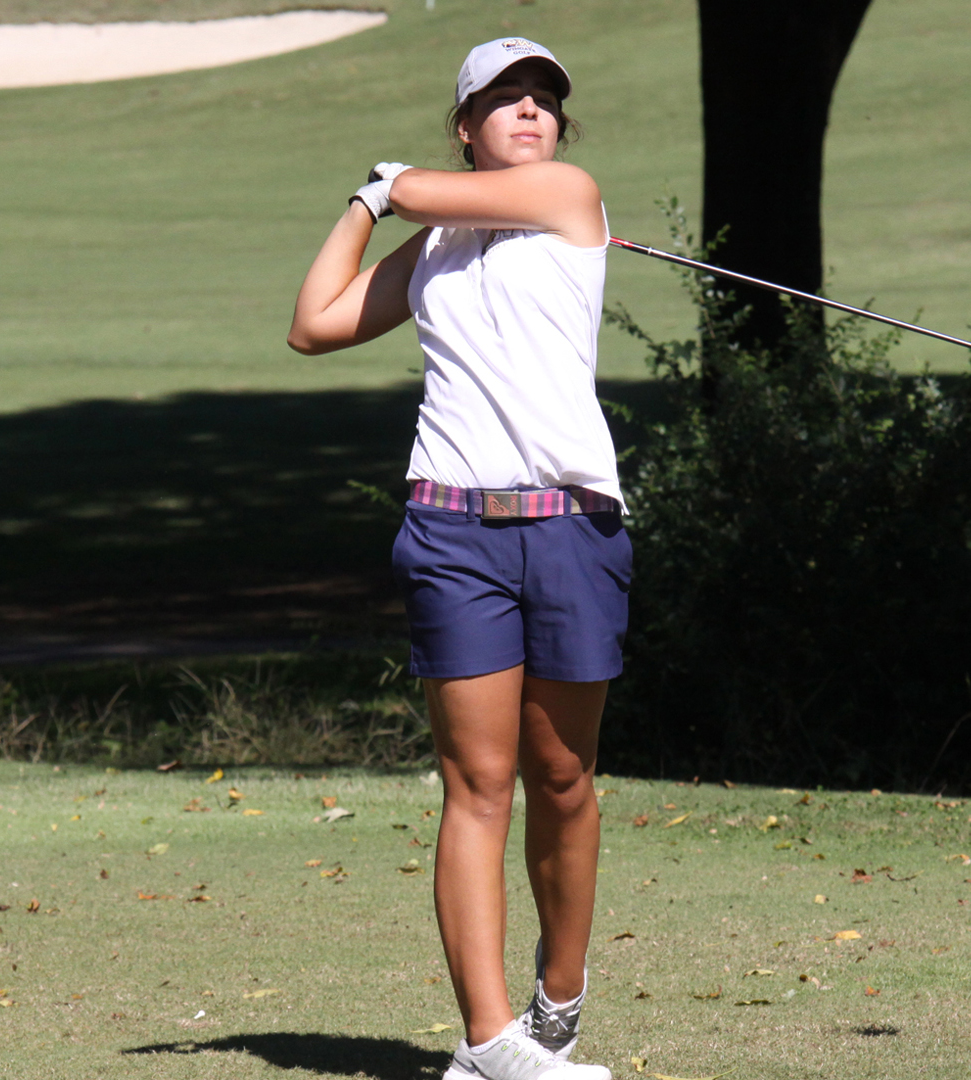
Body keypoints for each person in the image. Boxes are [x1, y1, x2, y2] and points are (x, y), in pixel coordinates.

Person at [287, 36, 626, 1080]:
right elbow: (315, 324)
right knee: (477, 783)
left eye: (545, 101)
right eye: (504, 101)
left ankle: (555, 1001)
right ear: (468, 125)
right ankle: (488, 1044)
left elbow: (422, 189)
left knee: (562, 778)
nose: (531, 113)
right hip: (451, 530)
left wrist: (397, 184)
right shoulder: (434, 248)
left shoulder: (571, 196)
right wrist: (364, 200)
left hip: (571, 524)